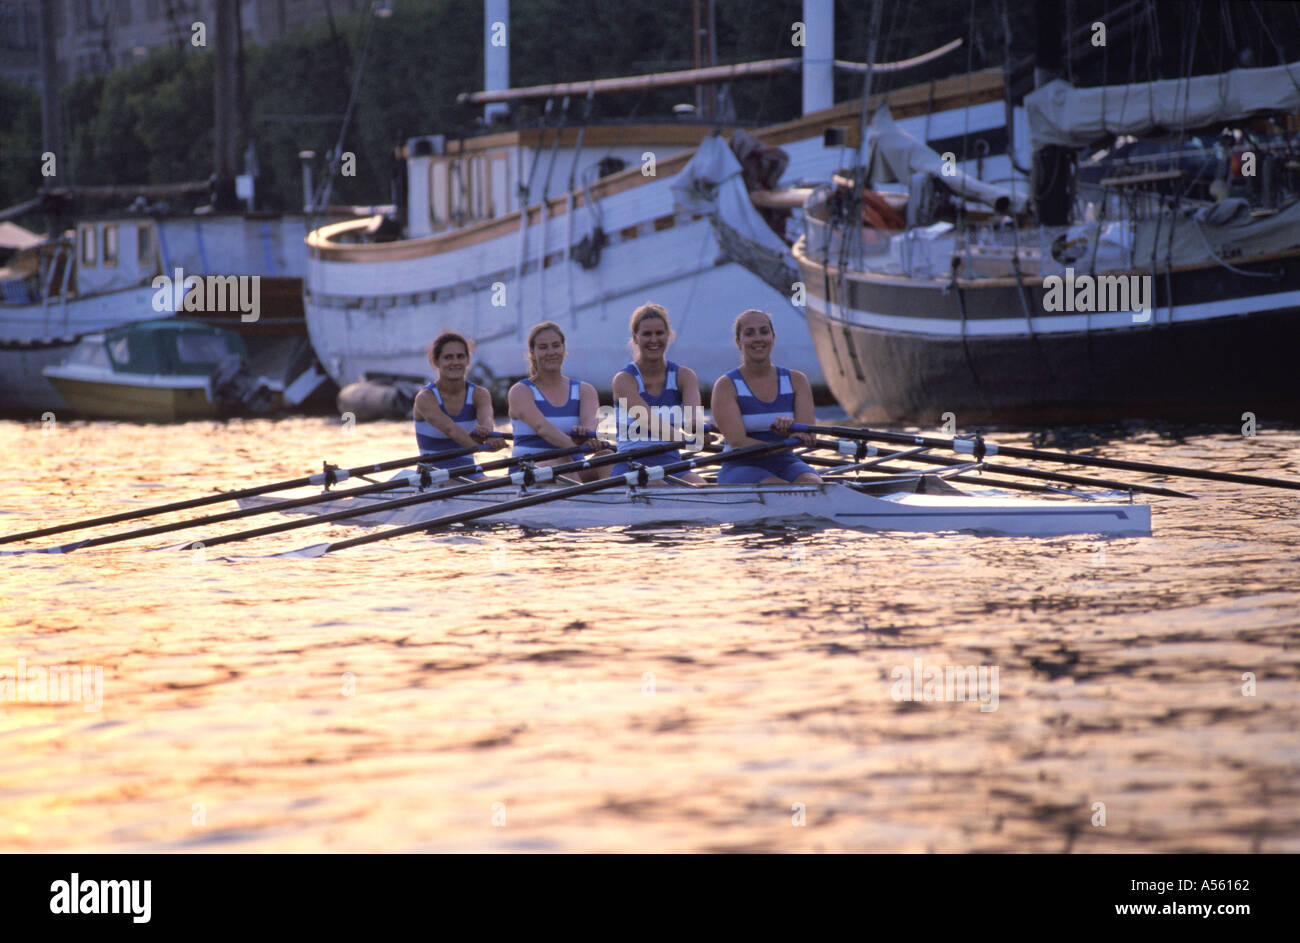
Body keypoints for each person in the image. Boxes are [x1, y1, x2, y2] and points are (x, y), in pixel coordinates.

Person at [710, 309, 822, 485]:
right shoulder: (726, 386)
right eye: (749, 333)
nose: (758, 339)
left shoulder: (797, 381)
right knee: (780, 488)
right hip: (740, 465)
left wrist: (790, 431)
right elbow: (738, 442)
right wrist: (786, 441)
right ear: (739, 342)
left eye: (764, 332)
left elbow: (807, 435)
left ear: (773, 337)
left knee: (814, 484)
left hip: (786, 463)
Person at [609, 303, 706, 484]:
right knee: (659, 486)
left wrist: (702, 431)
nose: (654, 340)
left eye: (660, 333)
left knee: (701, 487)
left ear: (669, 335)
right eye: (647, 334)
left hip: (671, 463)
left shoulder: (685, 376)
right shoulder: (624, 380)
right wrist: (688, 439)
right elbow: (649, 421)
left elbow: (694, 421)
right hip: (631, 464)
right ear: (635, 338)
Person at [508, 321, 609, 482]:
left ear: (564, 349)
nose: (551, 352)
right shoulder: (520, 391)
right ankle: (584, 501)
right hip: (526, 470)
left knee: (608, 458)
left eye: (556, 345)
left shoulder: (585, 390)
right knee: (561, 463)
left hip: (572, 465)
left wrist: (588, 437)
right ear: (532, 353)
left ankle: (616, 504)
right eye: (543, 347)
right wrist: (576, 446)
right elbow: (542, 428)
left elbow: (590, 425)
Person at [412, 331, 504, 479]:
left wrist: (490, 434)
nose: (455, 362)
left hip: (472, 476)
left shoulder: (480, 394)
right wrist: (483, 448)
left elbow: (487, 420)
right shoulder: (426, 398)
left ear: (468, 361)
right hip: (433, 478)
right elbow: (451, 430)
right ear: (436, 362)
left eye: (460, 357)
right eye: (448, 357)